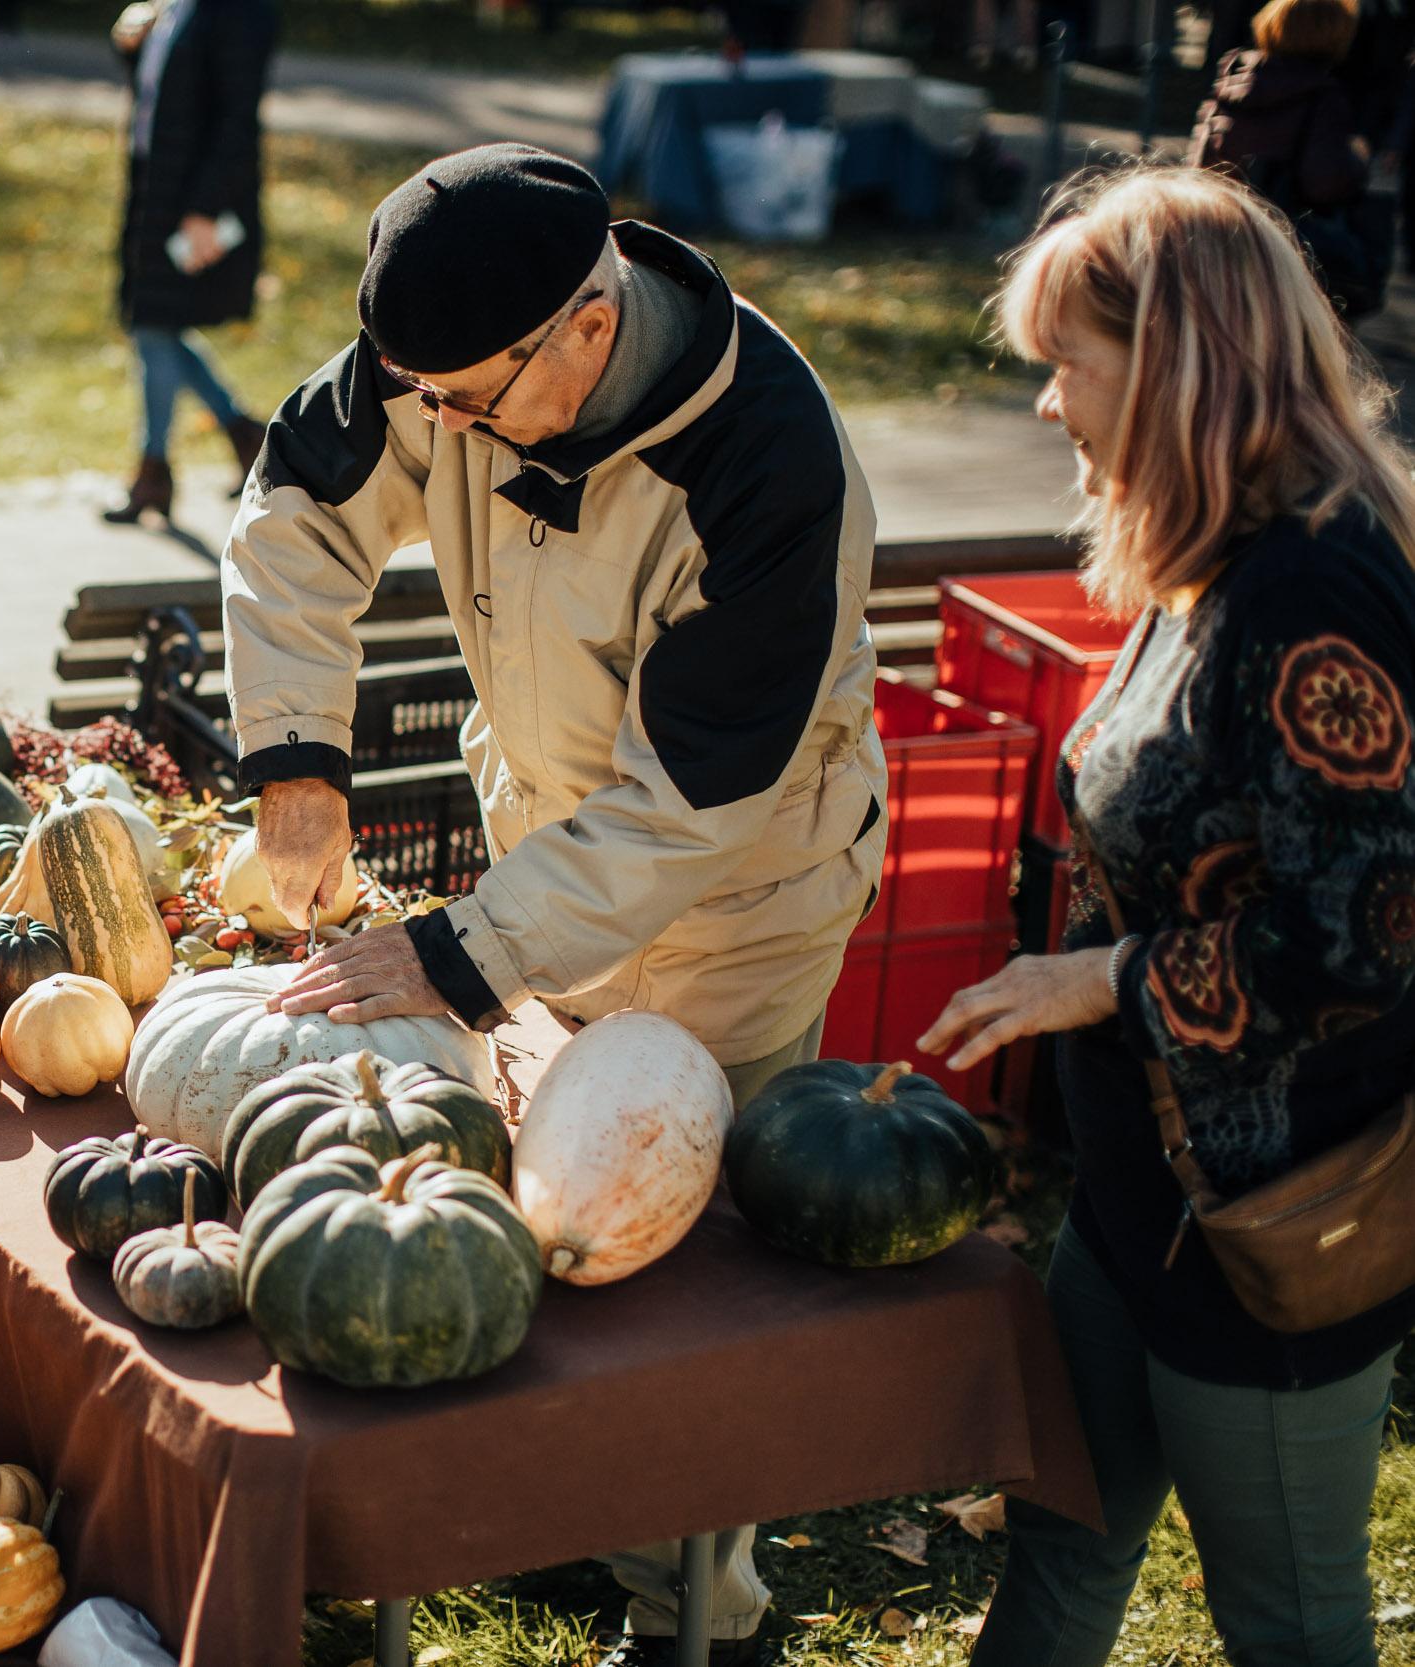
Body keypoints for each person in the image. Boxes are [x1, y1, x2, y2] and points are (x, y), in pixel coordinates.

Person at [223, 142, 888, 1667]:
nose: (436, 427)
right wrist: (297, 761)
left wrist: (461, 949)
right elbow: (295, 515)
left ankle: (699, 1618)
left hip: (734, 898)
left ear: (588, 326)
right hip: (547, 840)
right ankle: (587, 1524)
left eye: (463, 401)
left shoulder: (770, 466)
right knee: (542, 1226)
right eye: (420, 395)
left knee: (660, 1277)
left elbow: (693, 804)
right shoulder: (459, 343)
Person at [921, 164, 1415, 1667]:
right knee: (1063, 1560)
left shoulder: (1314, 593)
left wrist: (1099, 981)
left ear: (1182, 360)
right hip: (1139, 1196)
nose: (1050, 405)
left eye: (1071, 363)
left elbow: (1368, 935)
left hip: (1274, 1223)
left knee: (1295, 1623)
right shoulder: (1195, 560)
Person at [101, 0, 275, 526]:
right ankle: (247, 437)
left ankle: (155, 471)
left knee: (153, 327)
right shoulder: (177, 6)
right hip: (157, 194)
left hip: (192, 203)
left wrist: (205, 208)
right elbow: (167, 97)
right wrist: (132, 48)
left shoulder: (239, 11)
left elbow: (236, 118)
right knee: (154, 326)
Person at [1188, 0, 1385, 314]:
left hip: (1221, 236)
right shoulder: (1323, 96)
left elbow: (1200, 163)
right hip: (1287, 252)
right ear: (1335, 35)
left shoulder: (1233, 79)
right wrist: (1357, 161)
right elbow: (1324, 183)